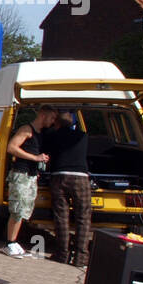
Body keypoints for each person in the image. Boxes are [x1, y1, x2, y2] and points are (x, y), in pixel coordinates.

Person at [3, 104, 56, 257]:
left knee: (24, 209)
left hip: (31, 175)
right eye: (52, 117)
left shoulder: (40, 133)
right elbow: (11, 147)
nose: (53, 121)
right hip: (21, 174)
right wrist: (35, 158)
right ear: (43, 115)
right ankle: (9, 243)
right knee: (17, 209)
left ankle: (13, 241)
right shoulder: (26, 130)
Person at [43, 110, 92, 266]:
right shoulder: (82, 137)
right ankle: (81, 257)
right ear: (72, 123)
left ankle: (62, 254)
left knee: (61, 217)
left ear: (57, 123)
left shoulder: (52, 136)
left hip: (59, 175)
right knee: (83, 217)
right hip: (81, 177)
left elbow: (46, 151)